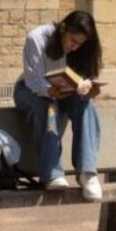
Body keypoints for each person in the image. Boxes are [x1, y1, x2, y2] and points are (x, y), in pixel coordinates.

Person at [14, 11, 106, 201]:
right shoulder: (36, 38)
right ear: (63, 28)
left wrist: (87, 88)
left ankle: (87, 173)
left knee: (85, 105)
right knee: (49, 107)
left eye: (80, 44)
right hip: (31, 91)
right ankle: (52, 174)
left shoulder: (78, 50)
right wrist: (49, 90)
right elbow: (33, 80)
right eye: (72, 40)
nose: (74, 47)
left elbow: (80, 78)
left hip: (64, 92)